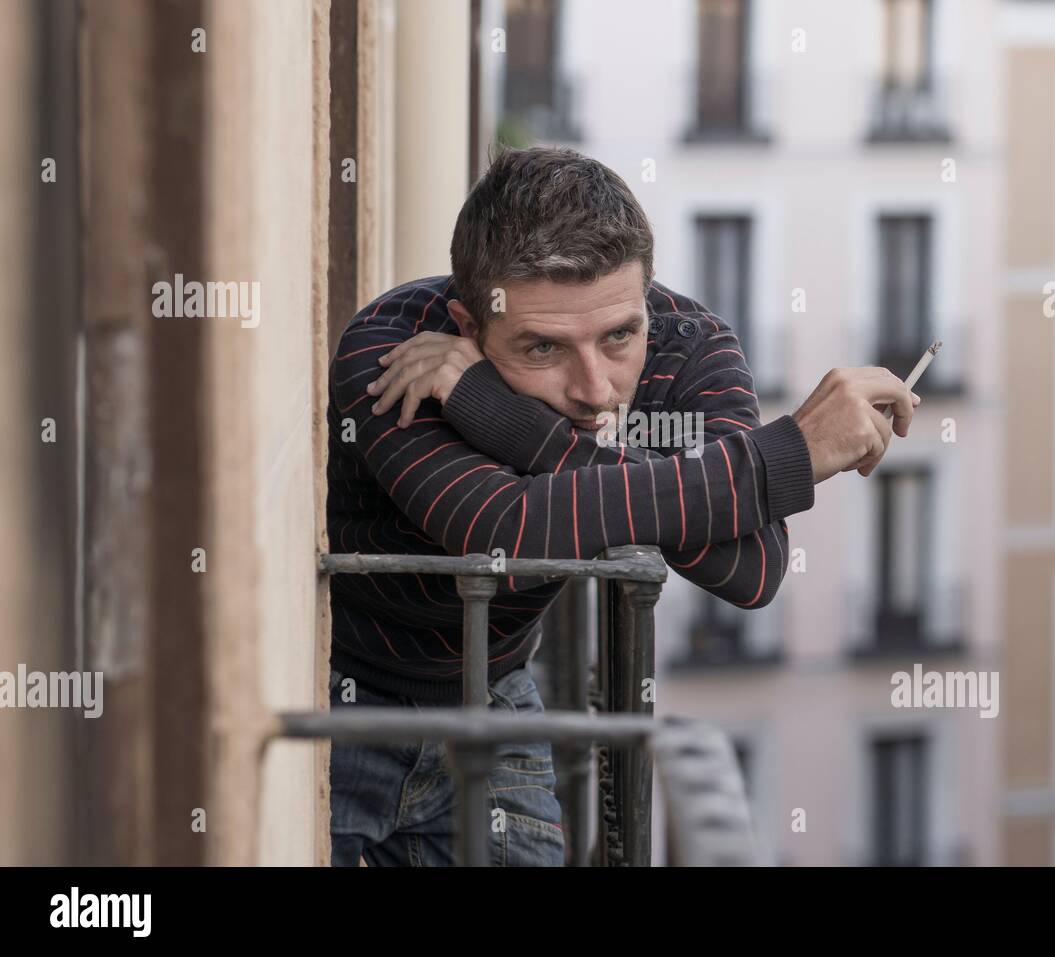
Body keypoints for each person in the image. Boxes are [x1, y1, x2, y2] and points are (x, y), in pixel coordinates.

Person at [326, 145, 919, 866]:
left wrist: (505, 417)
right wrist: (779, 457)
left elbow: (751, 566)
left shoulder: (689, 347)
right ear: (468, 325)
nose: (597, 388)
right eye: (543, 347)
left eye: (620, 336)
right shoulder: (392, 351)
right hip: (342, 698)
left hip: (495, 694)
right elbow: (505, 533)